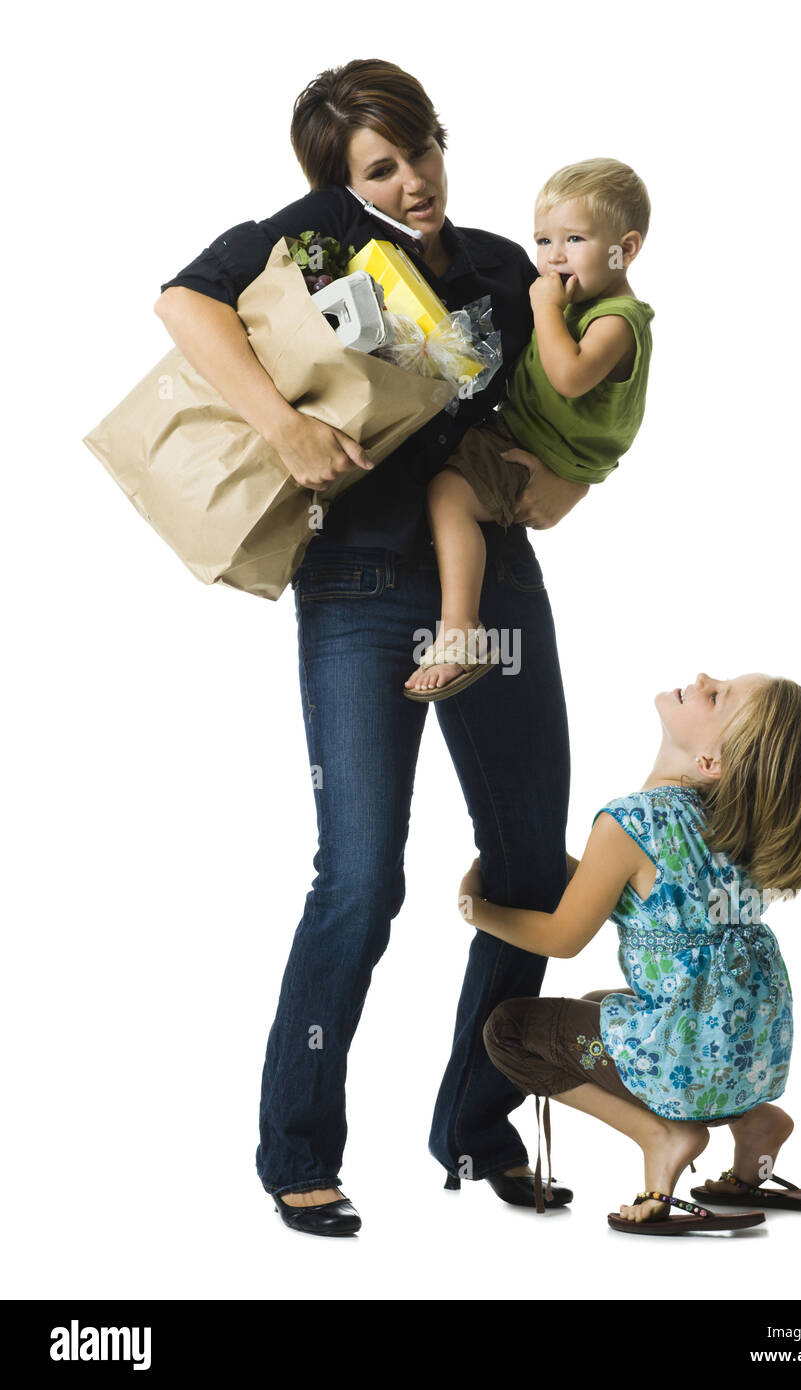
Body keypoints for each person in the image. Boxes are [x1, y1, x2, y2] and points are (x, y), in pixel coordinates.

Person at [154, 58, 588, 1237]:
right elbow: (184, 301)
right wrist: (282, 423)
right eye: (380, 168)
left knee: (529, 866)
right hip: (357, 589)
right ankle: (297, 1142)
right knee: (360, 878)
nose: (411, 182)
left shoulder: (501, 268)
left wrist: (557, 480)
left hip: (489, 586)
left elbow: (548, 427)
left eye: (421, 153)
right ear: (341, 181)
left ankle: (477, 1119)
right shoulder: (305, 244)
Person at [461, 672, 801, 1234]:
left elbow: (562, 939)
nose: (705, 678)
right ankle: (755, 1123)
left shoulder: (632, 822)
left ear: (712, 761)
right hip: (747, 1052)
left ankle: (663, 1136)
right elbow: (631, 890)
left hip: (689, 1058)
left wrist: (477, 909)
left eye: (718, 696)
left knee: (511, 1031)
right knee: (597, 1004)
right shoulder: (735, 822)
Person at [404, 158, 654, 700]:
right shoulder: (574, 302)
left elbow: (567, 377)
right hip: (521, 435)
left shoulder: (616, 319)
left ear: (625, 249)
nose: (553, 256)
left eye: (574, 239)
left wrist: (543, 305)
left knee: (448, 496)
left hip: (539, 451)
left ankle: (460, 630)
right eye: (543, 239)